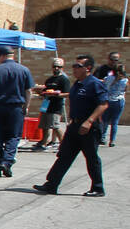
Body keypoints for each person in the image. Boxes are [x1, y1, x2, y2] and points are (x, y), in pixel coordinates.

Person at [33, 54, 107, 198]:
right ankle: (51, 184)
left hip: (89, 127)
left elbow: (103, 104)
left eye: (78, 66)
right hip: (75, 125)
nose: (74, 69)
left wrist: (89, 121)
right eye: (74, 66)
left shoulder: (95, 83)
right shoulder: (78, 84)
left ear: (88, 68)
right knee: (64, 155)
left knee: (91, 158)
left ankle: (98, 188)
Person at [0, 47, 33, 178]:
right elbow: (28, 91)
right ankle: (6, 162)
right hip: (16, 107)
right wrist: (26, 106)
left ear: (3, 56)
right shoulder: (24, 70)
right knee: (14, 136)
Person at [31, 57, 69, 151]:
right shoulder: (49, 79)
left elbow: (67, 94)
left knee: (55, 126)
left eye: (59, 67)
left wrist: (56, 94)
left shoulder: (64, 80)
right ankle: (43, 143)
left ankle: (64, 145)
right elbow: (45, 91)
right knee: (44, 126)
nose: (56, 68)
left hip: (56, 106)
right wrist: (39, 91)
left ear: (62, 68)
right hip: (46, 105)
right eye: (55, 66)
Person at [102, 63, 125, 147]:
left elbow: (103, 84)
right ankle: (112, 141)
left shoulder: (108, 78)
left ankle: (102, 137)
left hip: (108, 100)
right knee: (115, 121)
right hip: (118, 101)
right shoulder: (125, 80)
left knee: (105, 120)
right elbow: (126, 89)